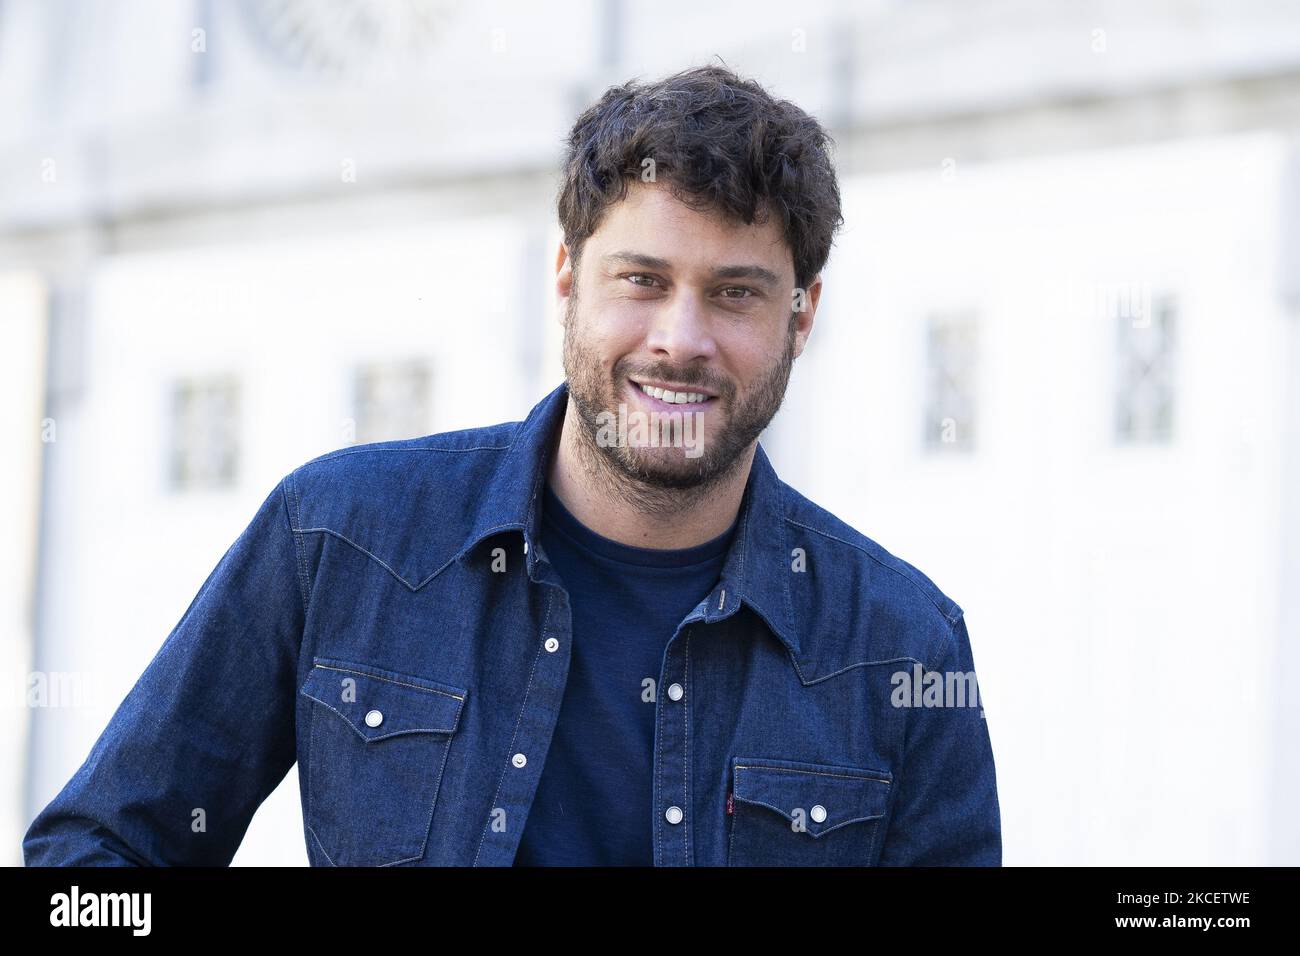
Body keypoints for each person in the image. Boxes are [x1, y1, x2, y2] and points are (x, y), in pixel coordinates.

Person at [23, 63, 1000, 867]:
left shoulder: (902, 641)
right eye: (642, 280)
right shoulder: (338, 535)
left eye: (735, 293)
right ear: (568, 278)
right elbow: (98, 854)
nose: (680, 338)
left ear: (803, 316)